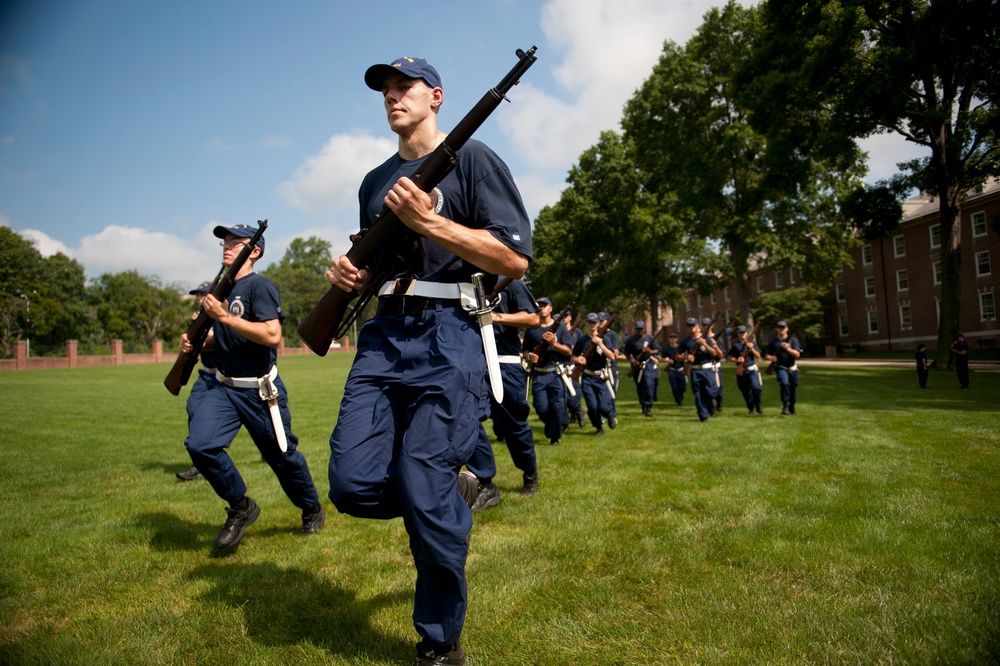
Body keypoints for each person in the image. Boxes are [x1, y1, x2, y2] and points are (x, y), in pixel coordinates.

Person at [324, 55, 532, 666]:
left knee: (421, 482)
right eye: (385, 90)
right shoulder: (373, 180)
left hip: (450, 336)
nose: (392, 97)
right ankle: (447, 488)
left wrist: (430, 223)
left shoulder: (475, 159)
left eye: (404, 87)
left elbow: (513, 259)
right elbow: (374, 264)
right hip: (384, 335)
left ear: (436, 97)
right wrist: (348, 272)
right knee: (351, 483)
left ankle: (440, 641)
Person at [181, 224, 325, 549]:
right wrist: (196, 342)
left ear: (254, 250)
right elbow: (222, 338)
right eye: (224, 242)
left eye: (235, 242)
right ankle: (241, 507)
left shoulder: (260, 286)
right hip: (224, 387)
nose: (227, 247)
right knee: (200, 445)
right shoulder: (221, 288)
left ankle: (311, 508)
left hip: (260, 390)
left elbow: (273, 335)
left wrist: (225, 317)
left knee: (282, 458)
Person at [465, 278, 541, 507]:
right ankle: (485, 482)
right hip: (474, 365)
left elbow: (533, 318)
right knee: (468, 420)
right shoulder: (464, 281)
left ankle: (529, 472)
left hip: (505, 366)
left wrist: (494, 317)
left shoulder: (510, 283)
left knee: (514, 427)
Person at [176, 281, 214, 482]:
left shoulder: (218, 315)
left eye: (203, 294)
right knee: (193, 409)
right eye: (198, 295)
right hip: (207, 374)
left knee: (263, 422)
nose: (199, 298)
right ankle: (200, 463)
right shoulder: (197, 318)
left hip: (228, 376)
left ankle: (275, 448)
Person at [523, 297, 573, 445]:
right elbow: (525, 350)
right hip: (539, 373)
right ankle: (551, 427)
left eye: (545, 305)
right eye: (540, 306)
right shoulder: (532, 329)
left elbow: (568, 351)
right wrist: (530, 356)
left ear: (551, 308)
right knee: (541, 407)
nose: (542, 308)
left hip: (555, 373)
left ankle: (554, 437)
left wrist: (554, 344)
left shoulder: (561, 328)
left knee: (557, 408)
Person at [571, 313, 618, 434]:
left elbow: (612, 356)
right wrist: (578, 360)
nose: (592, 325)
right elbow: (572, 356)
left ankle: (610, 415)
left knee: (603, 405)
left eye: (594, 322)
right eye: (590, 322)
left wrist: (600, 344)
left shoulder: (605, 339)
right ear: (587, 323)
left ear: (598, 324)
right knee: (592, 406)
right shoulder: (582, 341)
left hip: (601, 376)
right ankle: (598, 427)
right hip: (587, 377)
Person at [679, 317, 720, 422]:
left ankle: (711, 404)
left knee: (710, 392)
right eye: (689, 326)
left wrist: (704, 344)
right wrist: (686, 358)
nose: (691, 328)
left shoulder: (707, 339)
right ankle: (703, 416)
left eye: (693, 325)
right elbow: (677, 356)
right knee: (698, 394)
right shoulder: (685, 341)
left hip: (707, 370)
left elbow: (714, 354)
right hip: (695, 370)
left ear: (698, 326)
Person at [765, 320, 802, 415]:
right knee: (784, 383)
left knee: (793, 387)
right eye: (779, 328)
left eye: (783, 327)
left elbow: (797, 354)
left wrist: (787, 348)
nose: (781, 329)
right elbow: (767, 355)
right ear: (777, 329)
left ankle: (792, 404)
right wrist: (771, 358)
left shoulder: (793, 340)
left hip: (792, 367)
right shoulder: (773, 342)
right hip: (780, 367)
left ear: (787, 329)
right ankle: (785, 404)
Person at [624, 320, 660, 417]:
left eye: (641, 329)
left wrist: (650, 351)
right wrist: (632, 361)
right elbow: (627, 353)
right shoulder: (630, 340)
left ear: (645, 329)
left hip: (648, 364)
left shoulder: (650, 338)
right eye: (638, 329)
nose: (639, 331)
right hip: (636, 365)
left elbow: (658, 350)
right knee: (640, 387)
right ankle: (643, 404)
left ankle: (648, 406)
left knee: (648, 384)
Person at [729, 325, 763, 414]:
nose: (742, 335)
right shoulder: (735, 345)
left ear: (747, 334)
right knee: (745, 391)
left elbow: (758, 356)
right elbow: (730, 357)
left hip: (752, 369)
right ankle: (751, 407)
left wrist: (751, 348)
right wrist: (737, 360)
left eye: (743, 333)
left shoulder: (752, 343)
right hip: (742, 371)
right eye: (740, 333)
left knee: (756, 388)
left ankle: (758, 405)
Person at [562, 310, 586, 428]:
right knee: (561, 398)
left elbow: (583, 348)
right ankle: (564, 423)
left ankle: (578, 412)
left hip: (573, 366)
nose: (564, 318)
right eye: (563, 316)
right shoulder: (559, 331)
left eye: (566, 316)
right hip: (560, 367)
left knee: (574, 396)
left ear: (571, 317)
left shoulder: (578, 332)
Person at [702, 317, 725, 414]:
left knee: (719, 388)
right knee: (708, 389)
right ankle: (710, 407)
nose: (706, 327)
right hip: (705, 367)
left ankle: (719, 401)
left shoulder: (717, 339)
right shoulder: (701, 339)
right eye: (704, 325)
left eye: (707, 325)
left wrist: (715, 345)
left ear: (712, 326)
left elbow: (721, 355)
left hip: (715, 366)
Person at [662, 331, 687, 405]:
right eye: (671, 338)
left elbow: (686, 356)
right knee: (674, 387)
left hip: (681, 370)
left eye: (674, 338)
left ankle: (680, 396)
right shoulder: (667, 349)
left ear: (676, 339)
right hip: (672, 371)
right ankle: (678, 401)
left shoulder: (681, 348)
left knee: (683, 388)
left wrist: (682, 357)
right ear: (669, 339)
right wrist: (668, 360)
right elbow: (662, 358)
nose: (672, 339)